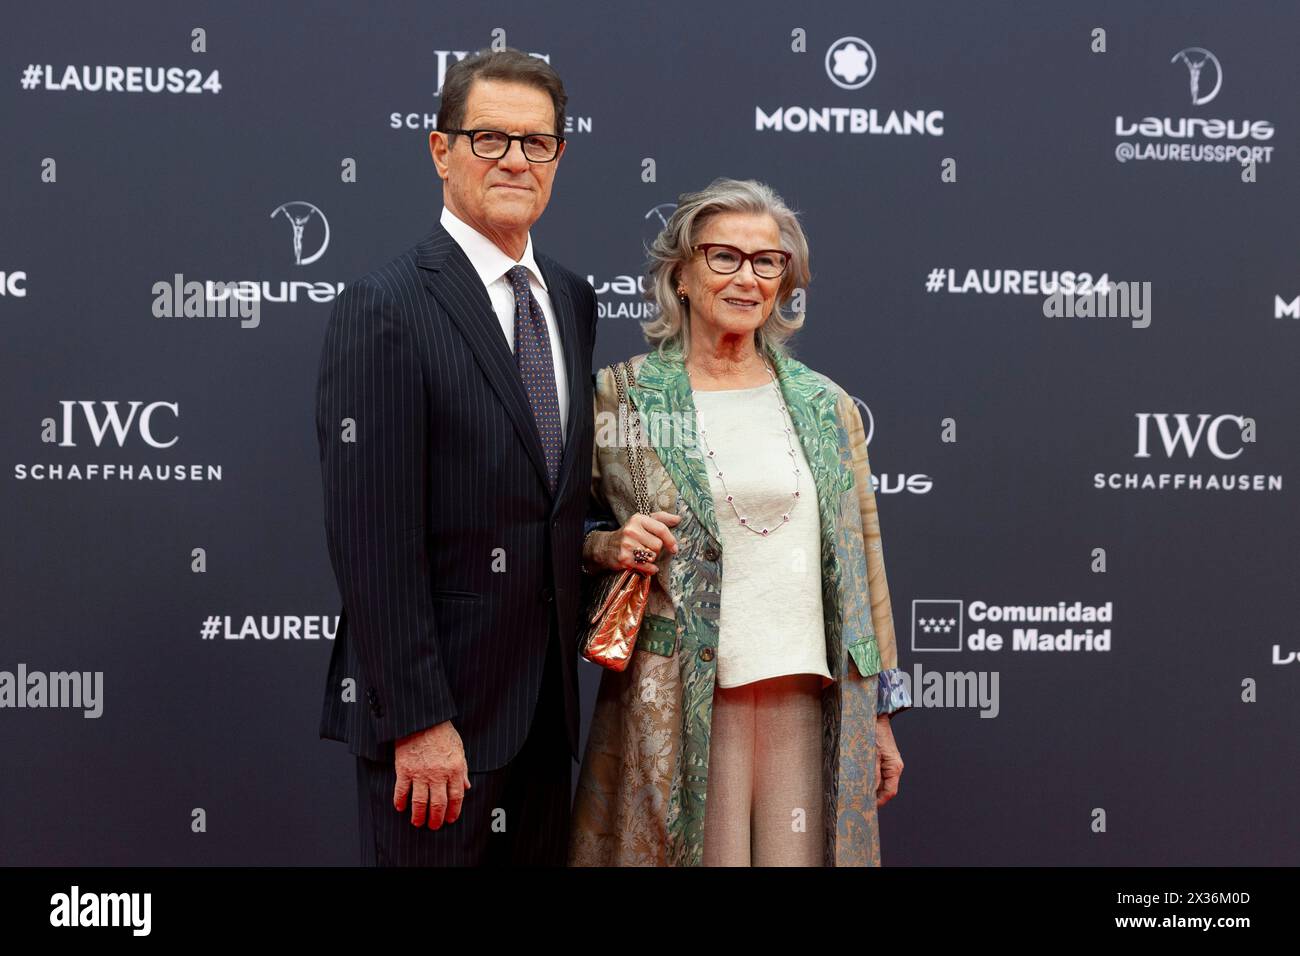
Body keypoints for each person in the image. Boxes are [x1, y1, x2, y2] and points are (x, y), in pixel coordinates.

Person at [569, 178, 911, 867]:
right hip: (677, 699)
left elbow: (864, 560)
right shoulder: (623, 396)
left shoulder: (826, 405)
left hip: (809, 705)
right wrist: (607, 545)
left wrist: (879, 712)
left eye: (767, 261)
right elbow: (559, 536)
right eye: (723, 257)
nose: (747, 277)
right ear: (681, 274)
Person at [315, 48, 596, 865]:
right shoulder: (387, 305)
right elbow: (372, 537)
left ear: (559, 158)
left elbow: (545, 494)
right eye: (489, 138)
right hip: (439, 728)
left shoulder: (572, 299)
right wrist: (418, 718)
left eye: (536, 142)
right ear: (441, 151)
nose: (515, 158)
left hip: (546, 716)